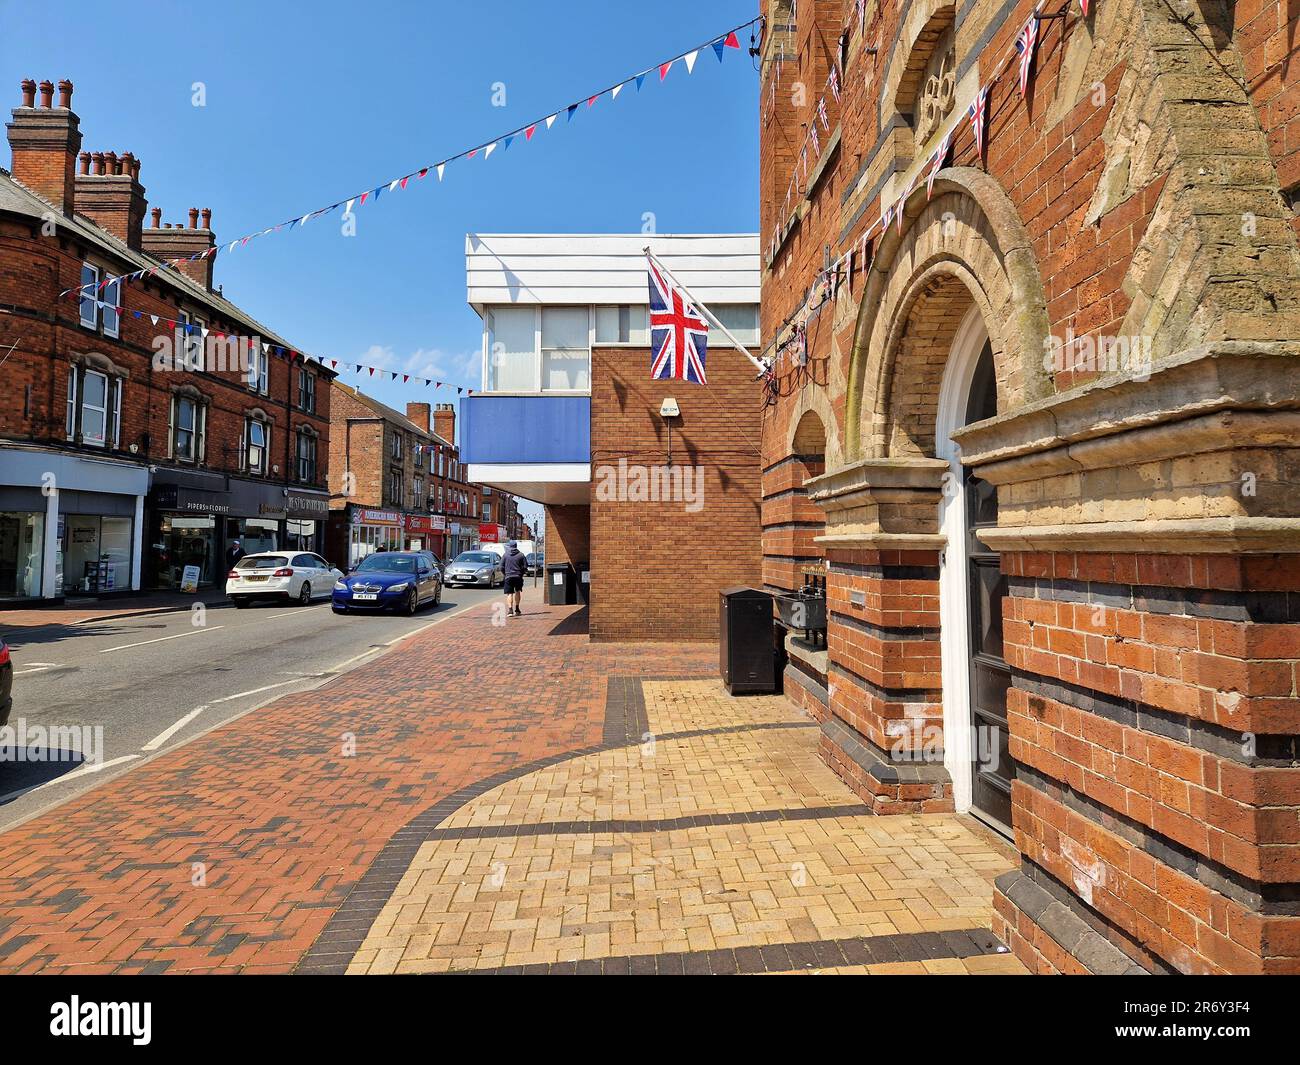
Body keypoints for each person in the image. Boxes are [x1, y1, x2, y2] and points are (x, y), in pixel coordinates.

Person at [501, 540, 527, 617]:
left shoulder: (505, 555)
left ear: (510, 546)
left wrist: (505, 574)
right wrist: (521, 574)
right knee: (517, 591)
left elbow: (501, 566)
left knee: (509, 594)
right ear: (516, 546)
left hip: (508, 576)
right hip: (518, 576)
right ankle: (517, 609)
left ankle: (510, 610)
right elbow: (525, 567)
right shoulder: (521, 555)